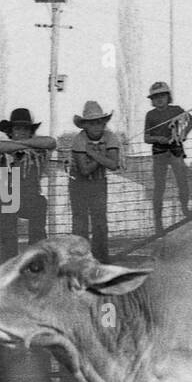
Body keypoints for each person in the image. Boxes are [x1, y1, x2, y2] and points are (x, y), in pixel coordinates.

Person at [0, 107, 55, 261]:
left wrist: (24, 144)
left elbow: (52, 142)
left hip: (29, 196)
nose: (22, 132)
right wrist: (24, 145)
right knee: (8, 238)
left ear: (31, 131)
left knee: (38, 228)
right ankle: (11, 271)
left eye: (26, 128)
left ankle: (36, 266)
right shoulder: (4, 148)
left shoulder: (38, 150)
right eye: (18, 128)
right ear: (11, 132)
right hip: (8, 197)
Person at [67, 101, 123, 262]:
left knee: (100, 222)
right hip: (78, 183)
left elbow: (113, 165)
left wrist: (94, 154)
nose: (97, 126)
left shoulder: (111, 137)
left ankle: (102, 259)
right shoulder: (79, 139)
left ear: (104, 122)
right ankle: (80, 260)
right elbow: (84, 169)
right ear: (85, 125)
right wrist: (103, 156)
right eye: (92, 123)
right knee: (80, 224)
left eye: (100, 122)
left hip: (99, 182)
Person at [143, 81, 189, 233]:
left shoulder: (176, 110)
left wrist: (183, 134)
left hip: (175, 150)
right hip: (159, 152)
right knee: (159, 187)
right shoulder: (150, 115)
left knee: (182, 181)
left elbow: (191, 119)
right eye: (155, 97)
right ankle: (158, 223)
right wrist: (158, 139)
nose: (159, 99)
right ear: (152, 100)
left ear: (168, 96)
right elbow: (146, 137)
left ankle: (185, 210)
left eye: (162, 95)